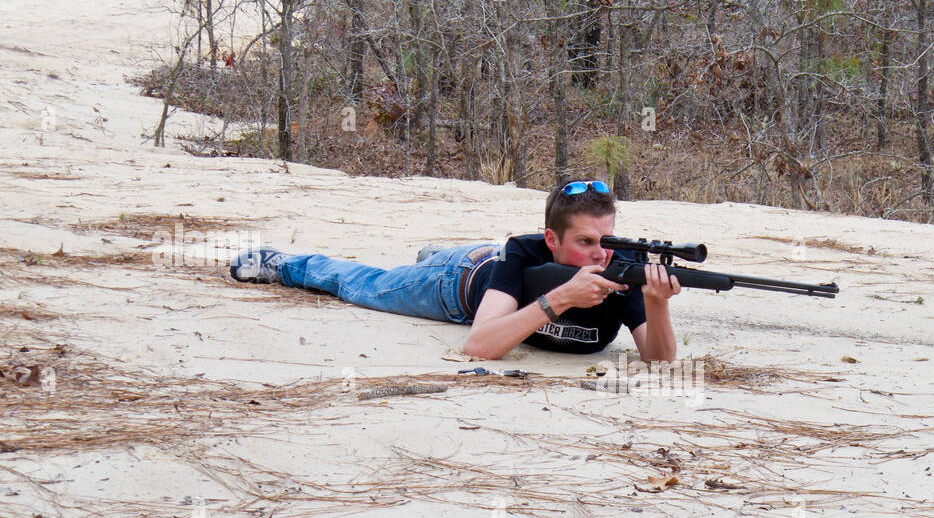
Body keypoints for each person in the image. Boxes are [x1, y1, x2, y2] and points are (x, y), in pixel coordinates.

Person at [229, 180, 681, 360]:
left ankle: (434, 252)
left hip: (488, 274)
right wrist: (561, 298)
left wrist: (656, 304)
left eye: (607, 240)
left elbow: (658, 359)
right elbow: (478, 345)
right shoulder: (523, 254)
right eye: (584, 242)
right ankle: (286, 264)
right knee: (365, 285)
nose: (599, 255)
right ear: (551, 240)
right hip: (459, 283)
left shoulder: (623, 272)